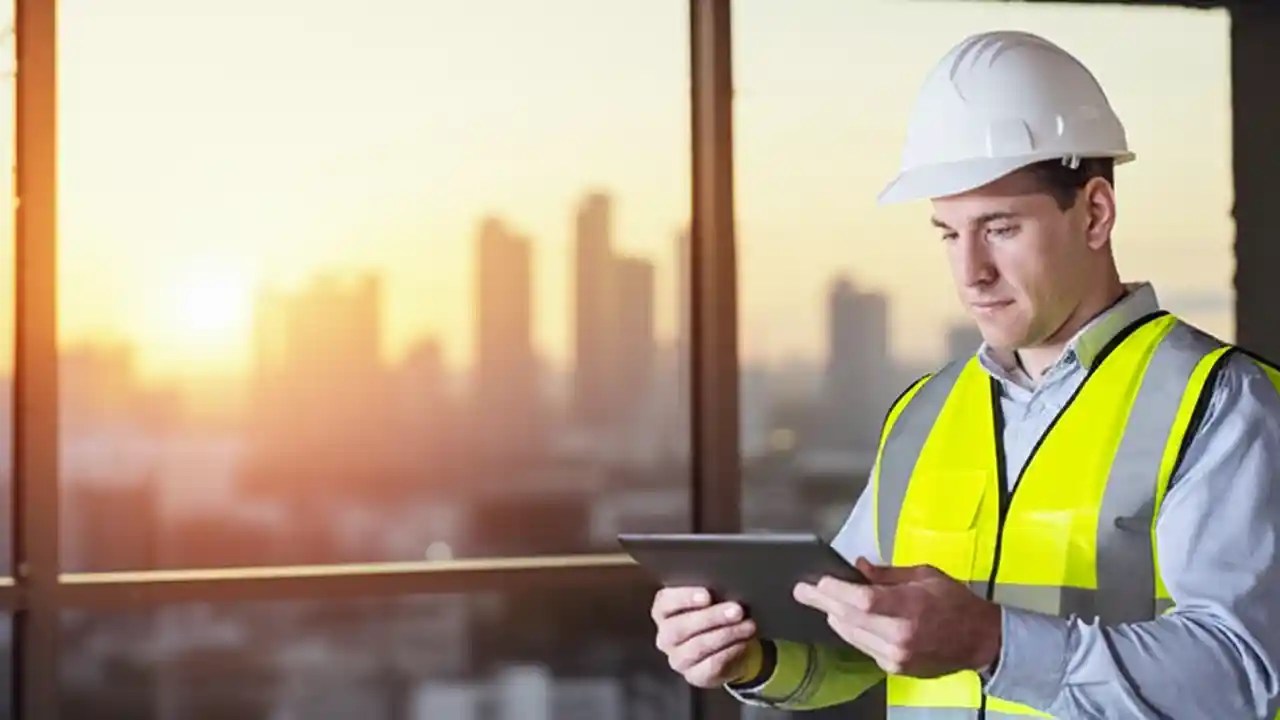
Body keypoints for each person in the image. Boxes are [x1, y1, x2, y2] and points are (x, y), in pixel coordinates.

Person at [649, 29, 1280, 718]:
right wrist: (755, 655)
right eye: (949, 233)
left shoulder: (1222, 405)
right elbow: (857, 639)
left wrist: (993, 641)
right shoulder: (925, 414)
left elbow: (1245, 673)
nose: (971, 273)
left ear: (1095, 212)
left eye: (1000, 228)